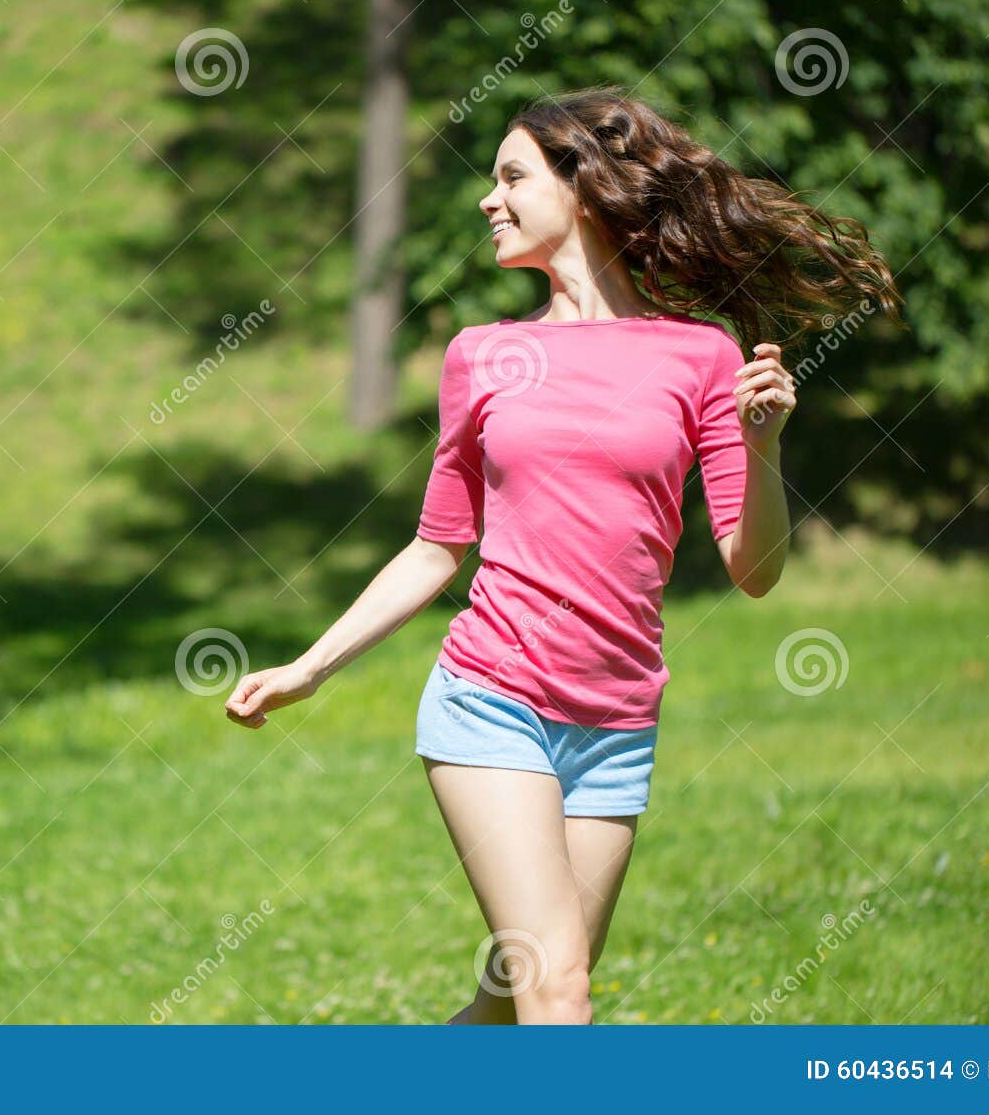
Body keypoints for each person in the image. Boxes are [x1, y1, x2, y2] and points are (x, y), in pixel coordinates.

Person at [224, 87, 903, 1024]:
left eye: (511, 177)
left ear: (583, 185)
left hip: (617, 725)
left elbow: (755, 570)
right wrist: (308, 668)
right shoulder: (481, 355)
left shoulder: (700, 356)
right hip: (491, 701)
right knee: (558, 989)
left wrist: (764, 445)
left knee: (510, 1006)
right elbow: (434, 551)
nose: (487, 199)